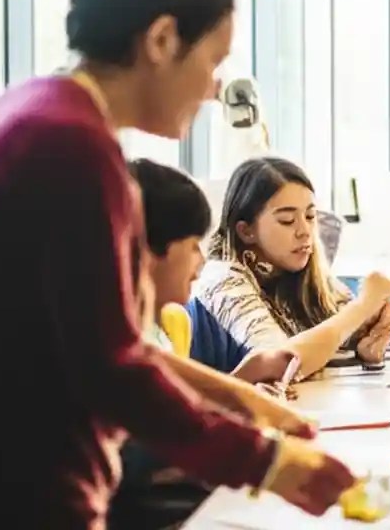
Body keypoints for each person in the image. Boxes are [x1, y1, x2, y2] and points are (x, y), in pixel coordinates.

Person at [0, 0, 353, 526]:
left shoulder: (35, 112)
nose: (216, 88)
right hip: (1, 493)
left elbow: (109, 340)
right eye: (213, 62)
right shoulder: (71, 145)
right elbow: (112, 368)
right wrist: (271, 463)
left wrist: (241, 401)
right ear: (162, 40)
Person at [113, 159, 315, 529]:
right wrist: (264, 453)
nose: (201, 262)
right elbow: (148, 445)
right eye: (192, 245)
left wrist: (239, 385)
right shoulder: (108, 344)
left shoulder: (152, 331)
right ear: (146, 251)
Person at [195, 157, 390, 379]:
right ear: (246, 231)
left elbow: (335, 334)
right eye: (286, 220)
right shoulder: (222, 278)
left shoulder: (301, 272)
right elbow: (280, 362)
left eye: (310, 216)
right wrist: (363, 306)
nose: (305, 231)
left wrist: (368, 338)